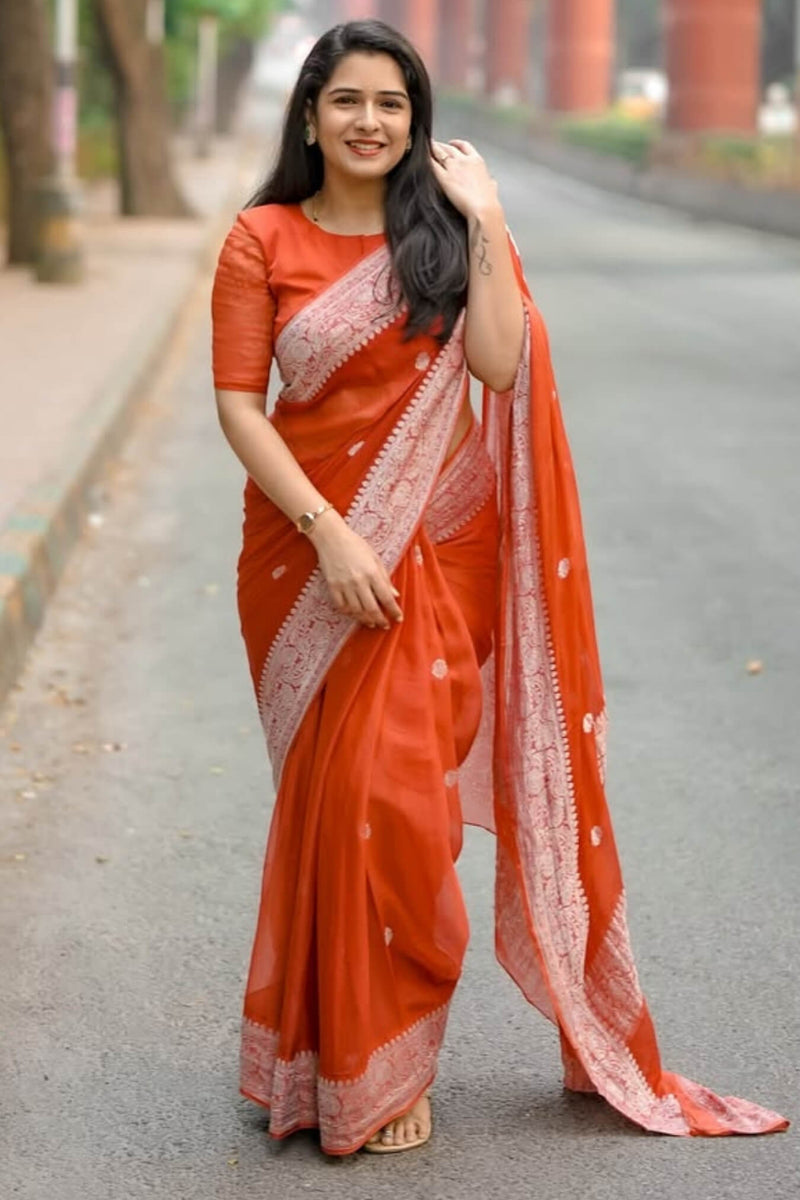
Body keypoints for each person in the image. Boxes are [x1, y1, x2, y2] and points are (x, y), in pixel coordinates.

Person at [210, 19, 789, 1156]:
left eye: (391, 104)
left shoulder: (439, 235)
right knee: (338, 806)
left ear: (415, 121)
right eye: (346, 102)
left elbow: (496, 364)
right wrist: (330, 535)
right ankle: (336, 1060)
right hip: (305, 554)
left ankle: (387, 1057)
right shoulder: (258, 238)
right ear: (310, 114)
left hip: (441, 551)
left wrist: (487, 221)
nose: (368, 122)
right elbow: (238, 403)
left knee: (401, 806)